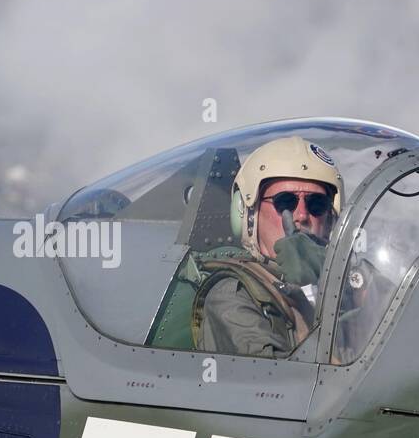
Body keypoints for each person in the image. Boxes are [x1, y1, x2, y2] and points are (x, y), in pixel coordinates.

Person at [145, 134, 345, 357]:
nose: (301, 216)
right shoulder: (231, 296)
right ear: (248, 214)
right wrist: (305, 294)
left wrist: (337, 280)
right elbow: (285, 382)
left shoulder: (347, 284)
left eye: (317, 204)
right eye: (285, 202)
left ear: (331, 218)